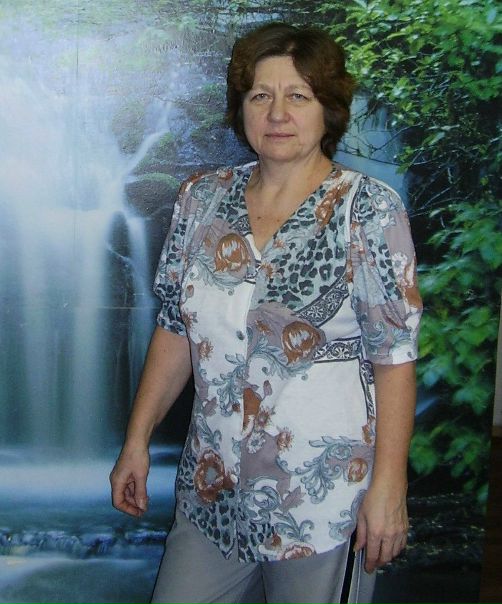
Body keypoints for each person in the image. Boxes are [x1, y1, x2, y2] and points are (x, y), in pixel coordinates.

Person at [110, 22, 422, 604]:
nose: (278, 113)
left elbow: (394, 358)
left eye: (298, 95)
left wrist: (389, 486)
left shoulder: (368, 211)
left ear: (327, 110)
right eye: (261, 95)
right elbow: (176, 329)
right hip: (213, 492)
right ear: (242, 109)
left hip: (323, 503)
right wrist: (136, 440)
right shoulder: (200, 200)